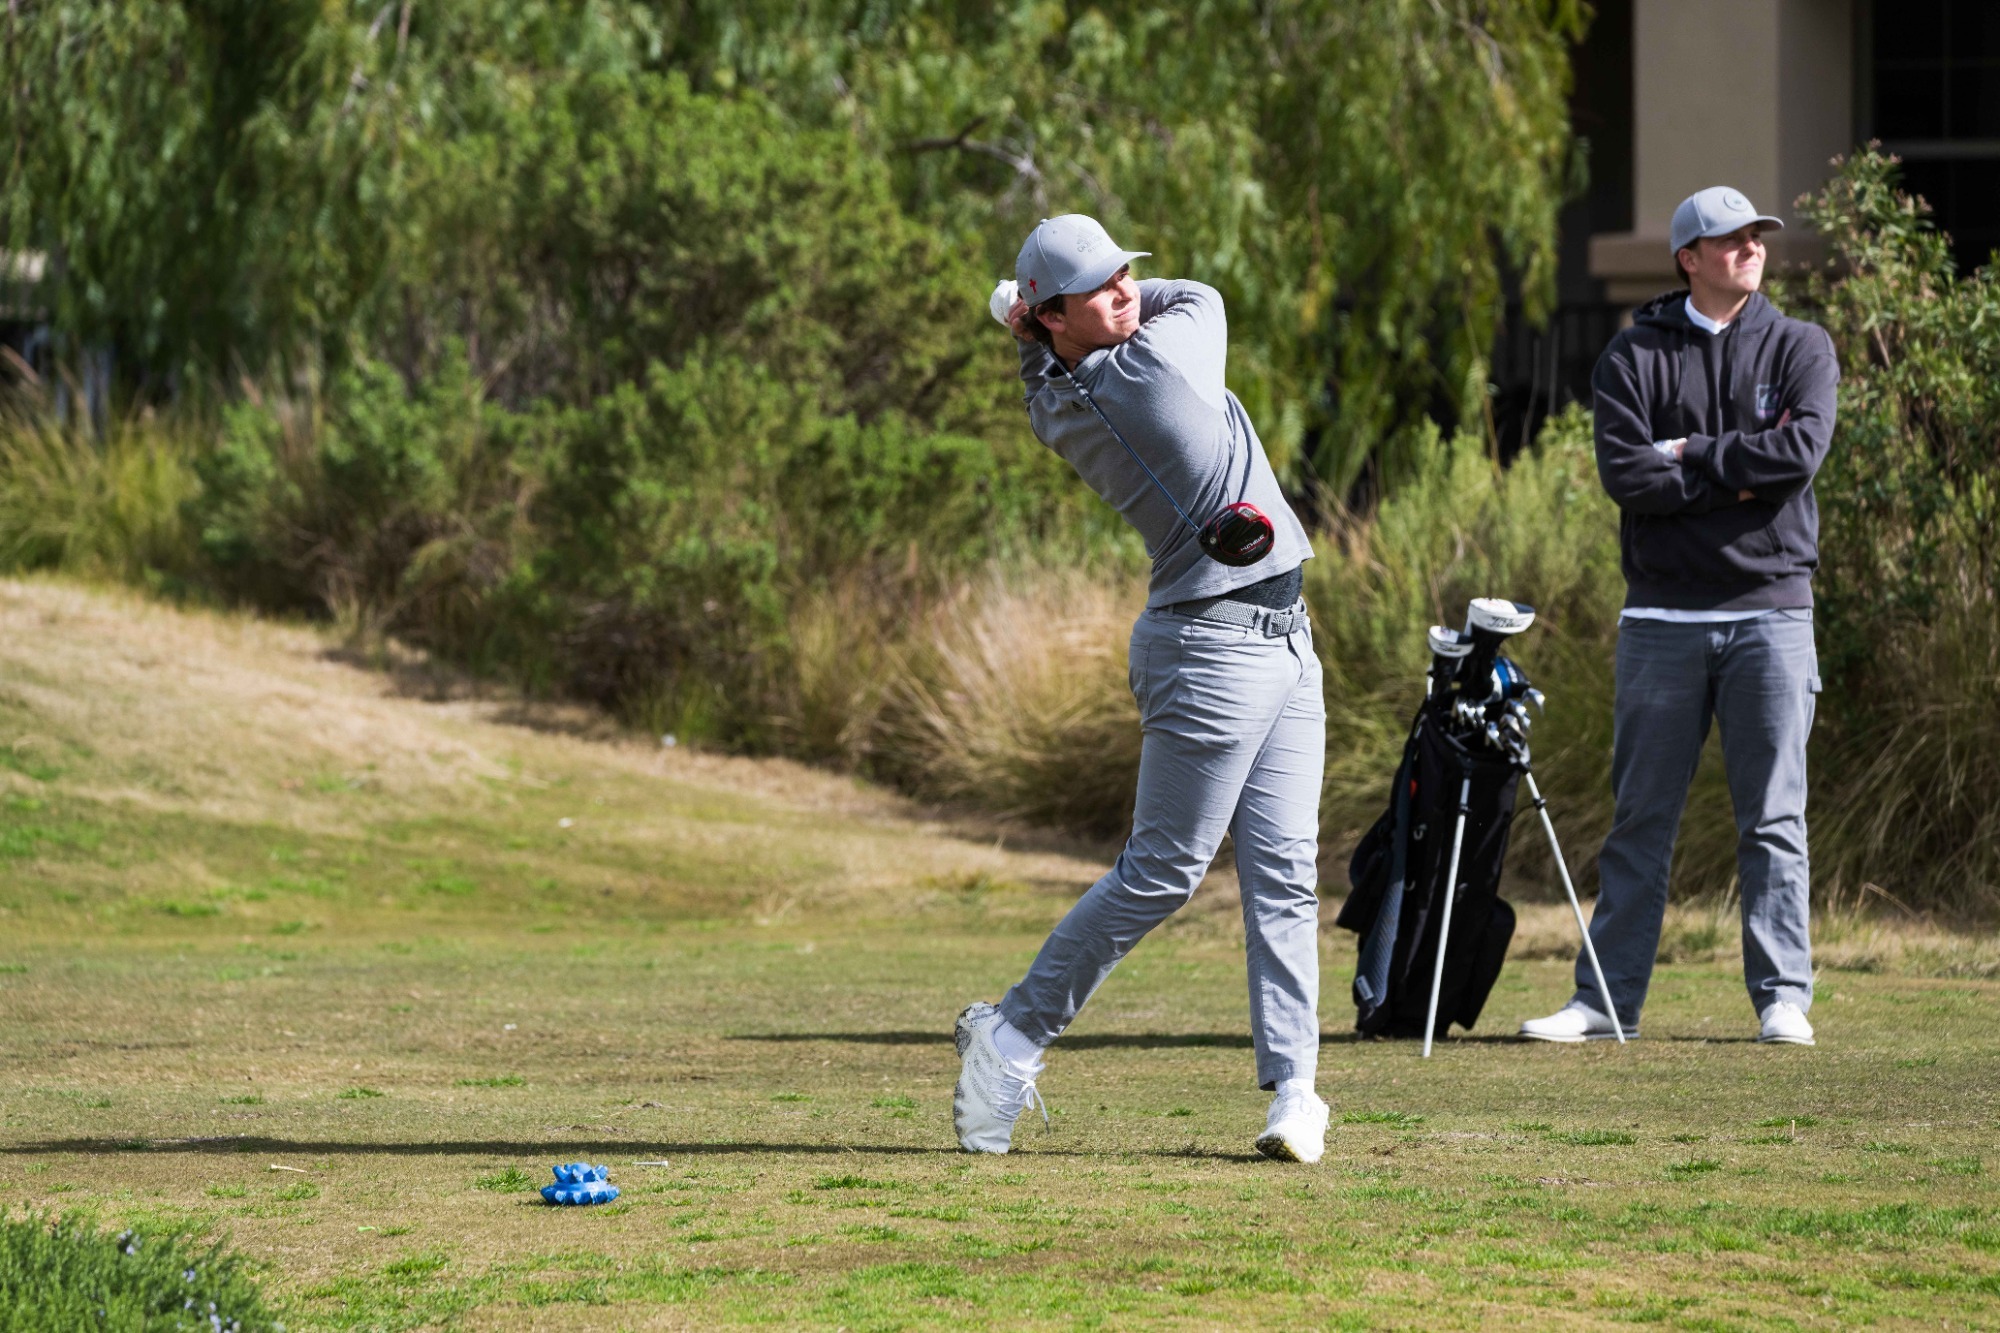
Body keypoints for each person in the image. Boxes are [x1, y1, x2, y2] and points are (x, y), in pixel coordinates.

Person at [953, 214, 1328, 1160]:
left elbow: (1094, 325)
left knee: (1285, 876)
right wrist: (1023, 309)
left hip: (1281, 636)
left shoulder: (1051, 390)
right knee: (1162, 872)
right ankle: (1010, 1037)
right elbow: (1201, 295)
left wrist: (1031, 318)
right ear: (1052, 317)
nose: (1127, 292)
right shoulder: (1160, 369)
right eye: (1102, 288)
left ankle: (1295, 1091)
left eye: (1128, 275)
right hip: (1214, 647)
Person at [1521, 186, 1839, 1047]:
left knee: (1772, 817)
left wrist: (1694, 452)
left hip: (1772, 613)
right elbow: (1630, 478)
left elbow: (1799, 454)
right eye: (1728, 240)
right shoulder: (1633, 358)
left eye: (1755, 238)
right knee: (1639, 820)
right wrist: (1739, 477)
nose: (1749, 249)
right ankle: (1603, 1001)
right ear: (1688, 258)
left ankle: (1783, 997)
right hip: (1662, 616)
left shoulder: (1802, 345)